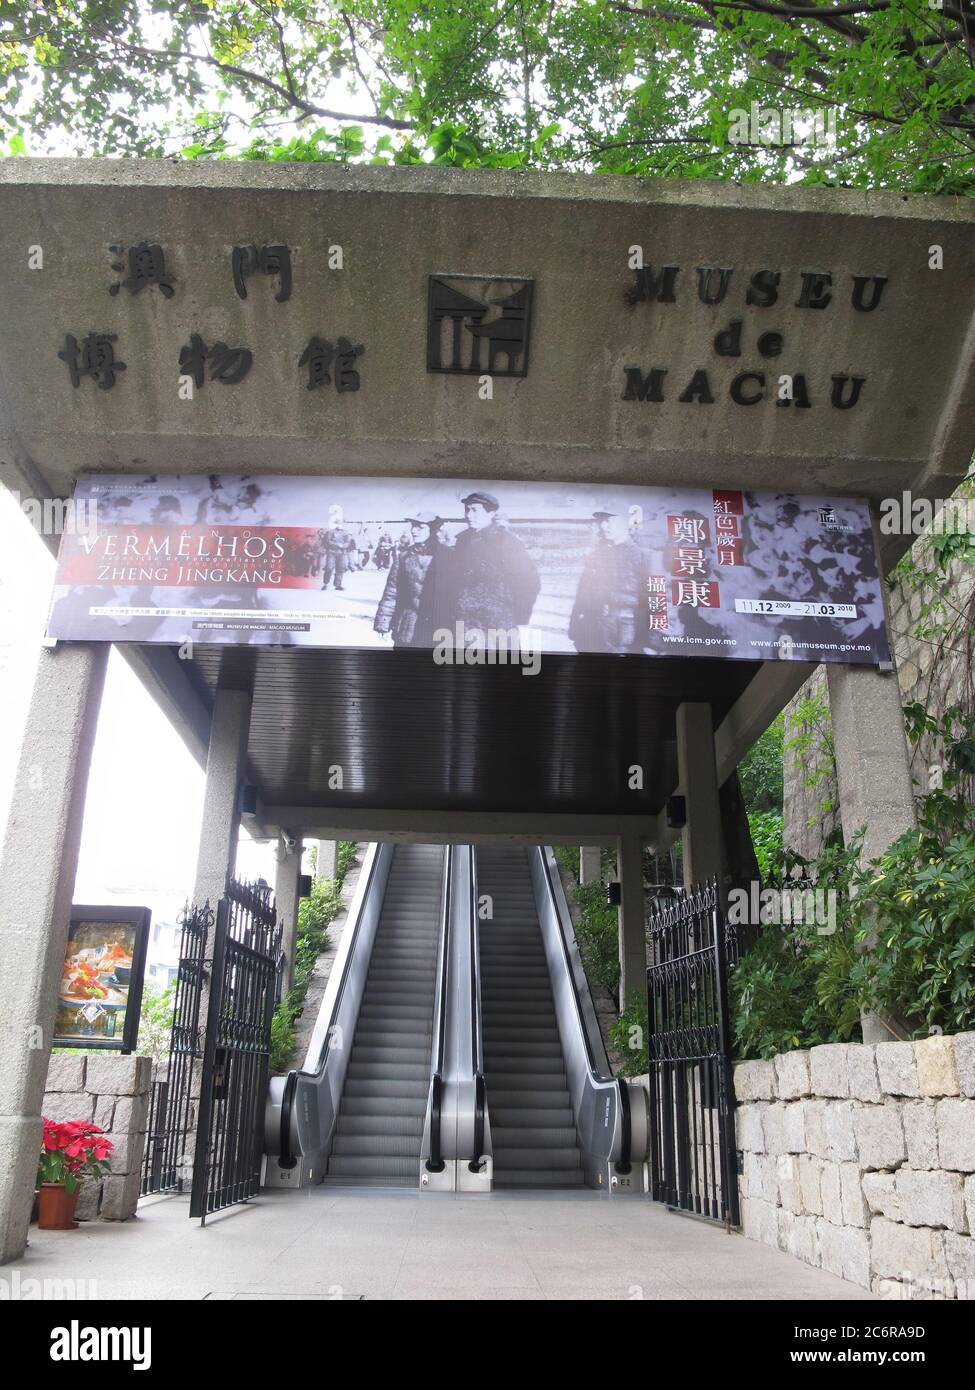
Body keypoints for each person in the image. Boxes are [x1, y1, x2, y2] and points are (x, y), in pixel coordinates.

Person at [416, 490, 539, 642]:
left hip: (495, 625)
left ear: (491, 513)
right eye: (467, 510)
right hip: (462, 622)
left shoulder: (507, 542)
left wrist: (517, 616)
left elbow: (529, 581)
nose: (468, 515)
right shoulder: (462, 540)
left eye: (474, 510)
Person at [569, 507, 652, 654]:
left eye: (608, 521)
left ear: (627, 523)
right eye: (601, 521)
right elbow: (582, 593)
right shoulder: (596, 555)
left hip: (626, 632)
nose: (603, 526)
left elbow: (654, 600)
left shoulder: (642, 556)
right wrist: (575, 625)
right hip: (593, 631)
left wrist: (651, 640)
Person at [373, 512, 445, 646]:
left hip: (437, 628)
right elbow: (391, 592)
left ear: (433, 529)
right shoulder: (404, 556)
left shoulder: (447, 556)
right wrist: (383, 622)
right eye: (413, 526)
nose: (413, 530)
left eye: (420, 527)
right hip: (407, 627)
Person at [320, 523, 354, 591]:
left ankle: (338, 585)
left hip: (342, 553)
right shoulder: (330, 532)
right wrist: (337, 544)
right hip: (331, 552)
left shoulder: (346, 532)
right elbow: (328, 541)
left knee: (341, 568)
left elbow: (347, 542)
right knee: (329, 568)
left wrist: (344, 546)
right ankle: (325, 584)